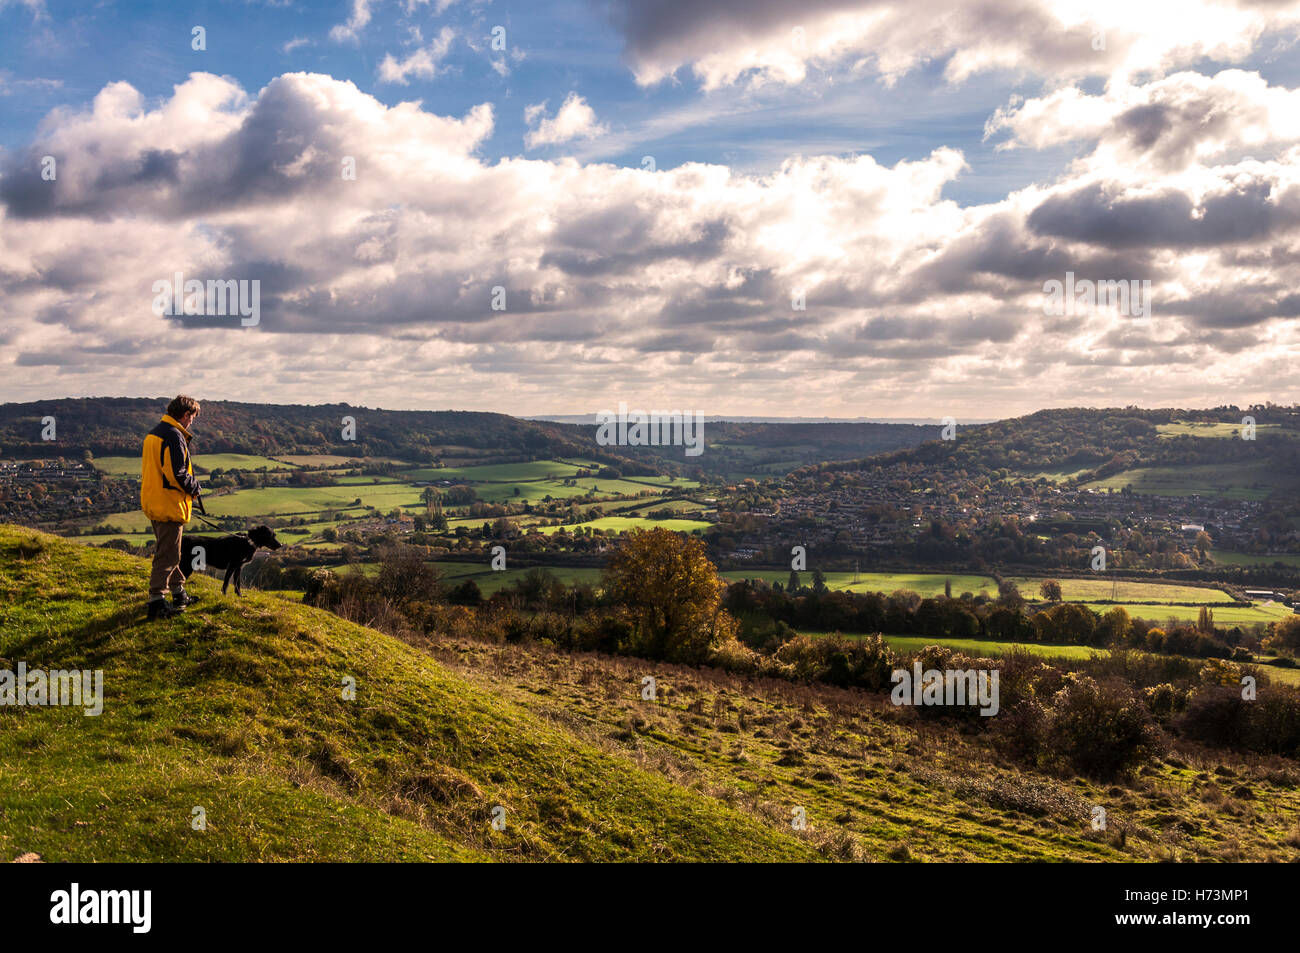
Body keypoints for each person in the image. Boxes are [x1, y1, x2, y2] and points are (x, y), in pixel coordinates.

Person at [140, 395, 204, 619]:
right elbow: (176, 474)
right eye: (192, 417)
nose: (192, 422)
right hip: (169, 504)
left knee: (171, 551)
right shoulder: (173, 436)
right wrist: (195, 487)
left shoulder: (154, 433)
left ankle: (178, 592)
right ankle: (156, 602)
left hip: (154, 501)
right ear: (186, 415)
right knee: (168, 555)